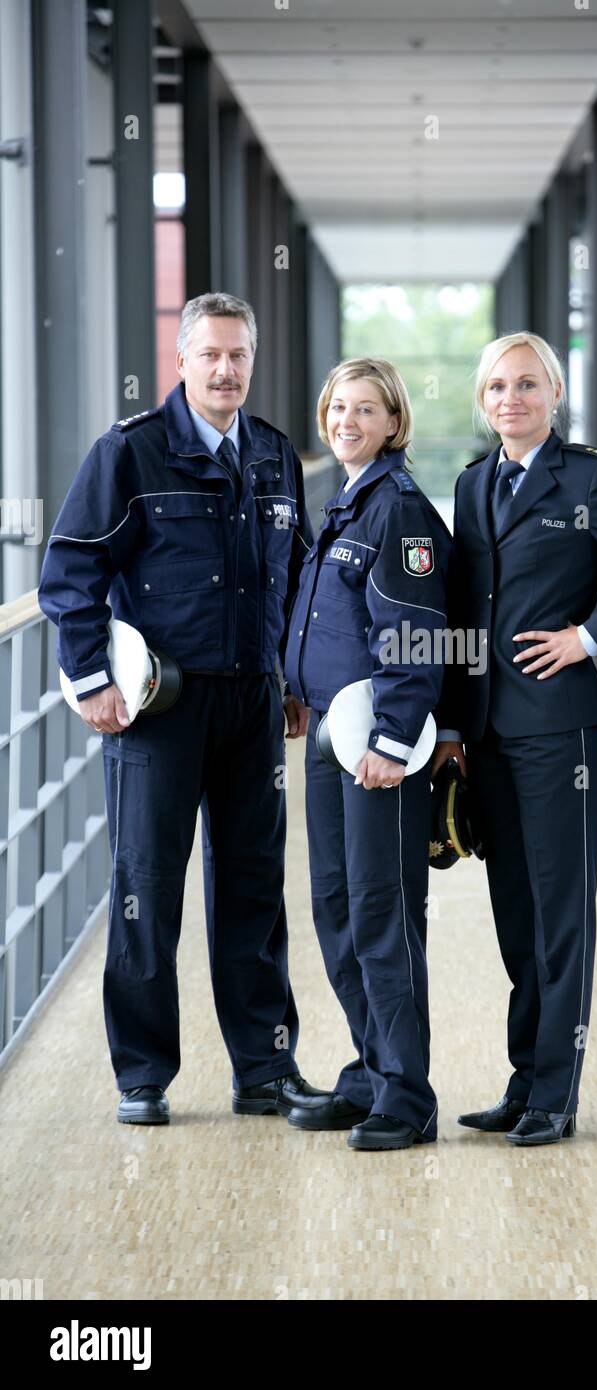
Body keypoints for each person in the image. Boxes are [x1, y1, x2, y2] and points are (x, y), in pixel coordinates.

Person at [38, 292, 327, 1125]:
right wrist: (91, 678)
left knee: (254, 891)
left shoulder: (272, 455)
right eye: (211, 356)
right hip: (158, 710)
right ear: (181, 361)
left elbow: (299, 580)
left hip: (253, 704)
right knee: (146, 889)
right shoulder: (130, 453)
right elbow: (70, 571)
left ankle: (265, 1070)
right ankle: (142, 1076)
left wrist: (295, 676)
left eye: (239, 356)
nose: (227, 370)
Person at [433, 331, 597, 1145]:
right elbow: (463, 609)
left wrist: (590, 637)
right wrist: (449, 726)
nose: (511, 400)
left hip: (559, 729)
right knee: (515, 912)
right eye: (498, 388)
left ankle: (557, 1093)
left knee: (560, 914)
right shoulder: (473, 484)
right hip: (487, 733)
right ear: (484, 402)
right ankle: (523, 1079)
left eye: (527, 385)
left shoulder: (590, 476)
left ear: (554, 394)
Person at [282, 357, 452, 1151]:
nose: (347, 421)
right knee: (335, 907)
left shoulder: (400, 510)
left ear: (394, 423)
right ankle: (369, 1071)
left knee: (382, 914)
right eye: (337, 407)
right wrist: (293, 686)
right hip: (324, 729)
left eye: (366, 409)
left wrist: (390, 741)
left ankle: (407, 1096)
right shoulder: (343, 503)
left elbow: (413, 637)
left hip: (375, 746)